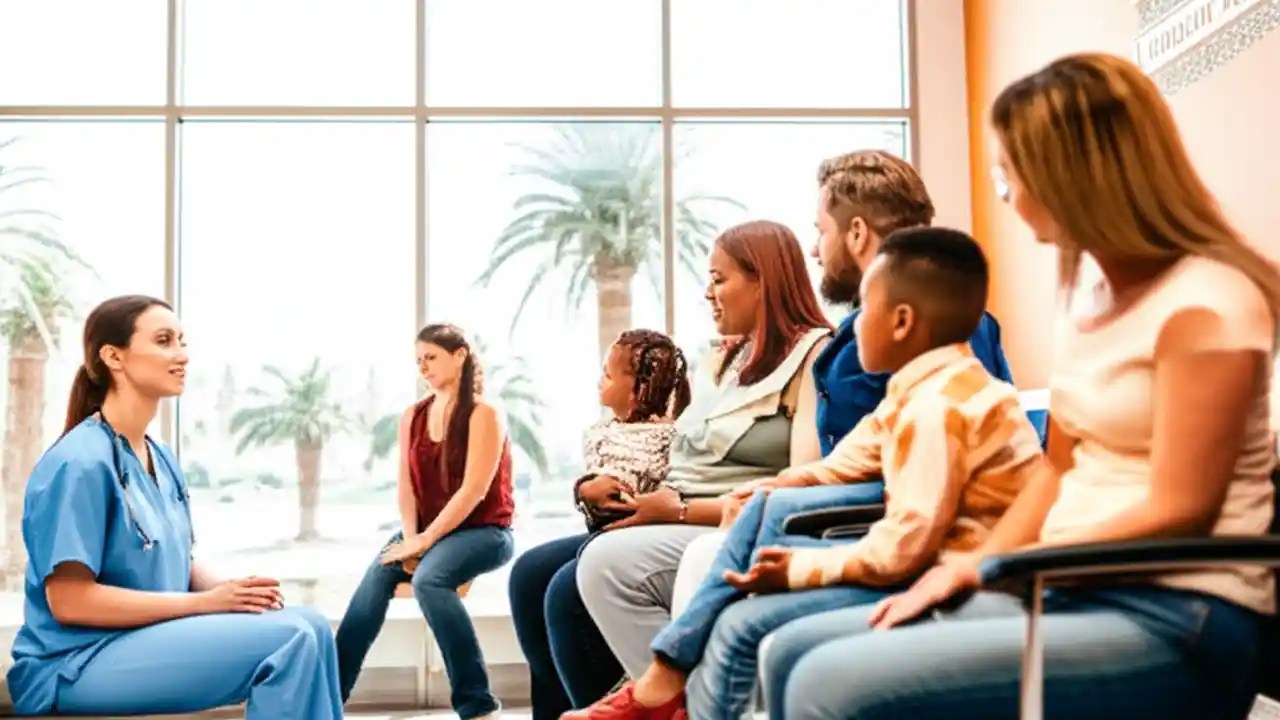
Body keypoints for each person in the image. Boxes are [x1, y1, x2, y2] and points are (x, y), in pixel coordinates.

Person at [763, 52, 1280, 720]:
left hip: (1177, 611)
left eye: (1011, 172)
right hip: (1062, 585)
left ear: (1074, 172)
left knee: (824, 685)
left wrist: (987, 566)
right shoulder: (1091, 303)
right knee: (783, 652)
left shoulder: (1206, 302)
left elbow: (1180, 507)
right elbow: (1057, 469)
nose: (1005, 193)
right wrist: (972, 564)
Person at [567, 229, 1044, 720]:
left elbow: (905, 547)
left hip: (955, 575)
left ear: (902, 322)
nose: (853, 329)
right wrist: (767, 488)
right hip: (918, 558)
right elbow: (840, 466)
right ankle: (660, 684)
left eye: (866, 311)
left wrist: (799, 569)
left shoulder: (940, 408)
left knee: (739, 627)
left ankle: (659, 686)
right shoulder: (914, 393)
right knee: (763, 513)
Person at [669, 149, 1018, 618]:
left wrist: (774, 505)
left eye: (820, 231)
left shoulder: (920, 336)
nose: (815, 250)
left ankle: (671, 683)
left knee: (713, 551)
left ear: (856, 233)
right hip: (856, 511)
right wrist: (780, 487)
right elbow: (867, 447)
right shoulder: (897, 332)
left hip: (880, 522)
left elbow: (926, 474)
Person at [4, 295, 343, 719]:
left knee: (311, 625)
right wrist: (207, 603)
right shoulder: (79, 462)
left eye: (182, 340)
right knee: (290, 638)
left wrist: (239, 593)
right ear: (113, 356)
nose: (181, 354)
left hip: (142, 638)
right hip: (75, 662)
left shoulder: (158, 457)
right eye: (164, 341)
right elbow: (70, 601)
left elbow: (179, 560)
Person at [571, 220, 833, 693]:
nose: (708, 293)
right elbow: (680, 451)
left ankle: (684, 704)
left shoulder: (815, 357)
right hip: (674, 510)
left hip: (723, 520)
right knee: (537, 581)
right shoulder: (731, 360)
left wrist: (678, 509)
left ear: (763, 282)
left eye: (719, 278)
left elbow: (800, 485)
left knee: (599, 564)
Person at [509, 330, 693, 720]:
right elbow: (592, 484)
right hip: (610, 530)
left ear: (638, 390)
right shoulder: (605, 432)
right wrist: (586, 490)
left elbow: (677, 487)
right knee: (528, 573)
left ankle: (596, 709)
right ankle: (553, 711)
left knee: (563, 588)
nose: (600, 382)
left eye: (608, 376)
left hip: (652, 527)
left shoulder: (670, 436)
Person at [336, 323, 514, 720]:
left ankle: (477, 705)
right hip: (428, 532)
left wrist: (425, 541)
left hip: (485, 531)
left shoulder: (485, 413)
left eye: (431, 357)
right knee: (377, 575)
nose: (423, 367)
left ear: (460, 356)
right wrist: (413, 537)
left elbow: (474, 491)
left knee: (430, 580)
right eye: (418, 360)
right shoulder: (412, 416)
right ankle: (326, 695)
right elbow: (407, 487)